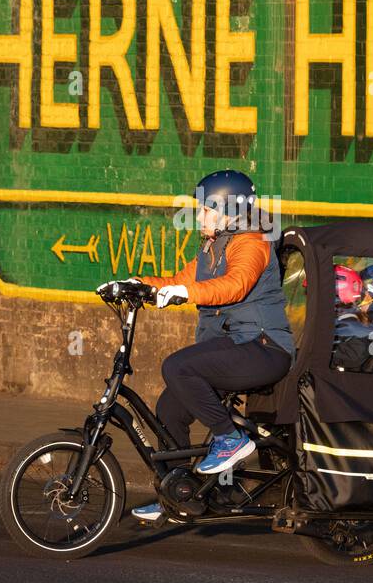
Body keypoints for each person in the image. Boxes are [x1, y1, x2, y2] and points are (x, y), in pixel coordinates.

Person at [98, 169, 293, 523]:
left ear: (229, 210)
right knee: (170, 406)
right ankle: (177, 495)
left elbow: (235, 285)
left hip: (263, 349)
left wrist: (185, 293)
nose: (198, 217)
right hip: (234, 347)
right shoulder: (212, 247)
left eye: (205, 210)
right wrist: (136, 284)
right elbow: (177, 281)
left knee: (177, 367)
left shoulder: (252, 243)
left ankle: (230, 438)